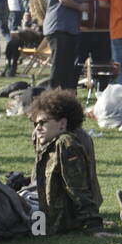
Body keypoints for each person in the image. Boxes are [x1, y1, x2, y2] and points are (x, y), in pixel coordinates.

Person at [26, 88, 102, 235]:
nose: (38, 128)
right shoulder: (49, 140)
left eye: (43, 122)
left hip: (56, 220)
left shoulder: (66, 143)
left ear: (62, 123)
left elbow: (78, 188)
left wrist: (93, 224)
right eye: (35, 124)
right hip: (44, 211)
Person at [43, 0, 92, 91]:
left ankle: (63, 99)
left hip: (62, 26)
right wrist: (80, 7)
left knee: (65, 70)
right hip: (61, 26)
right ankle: (52, 102)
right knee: (59, 71)